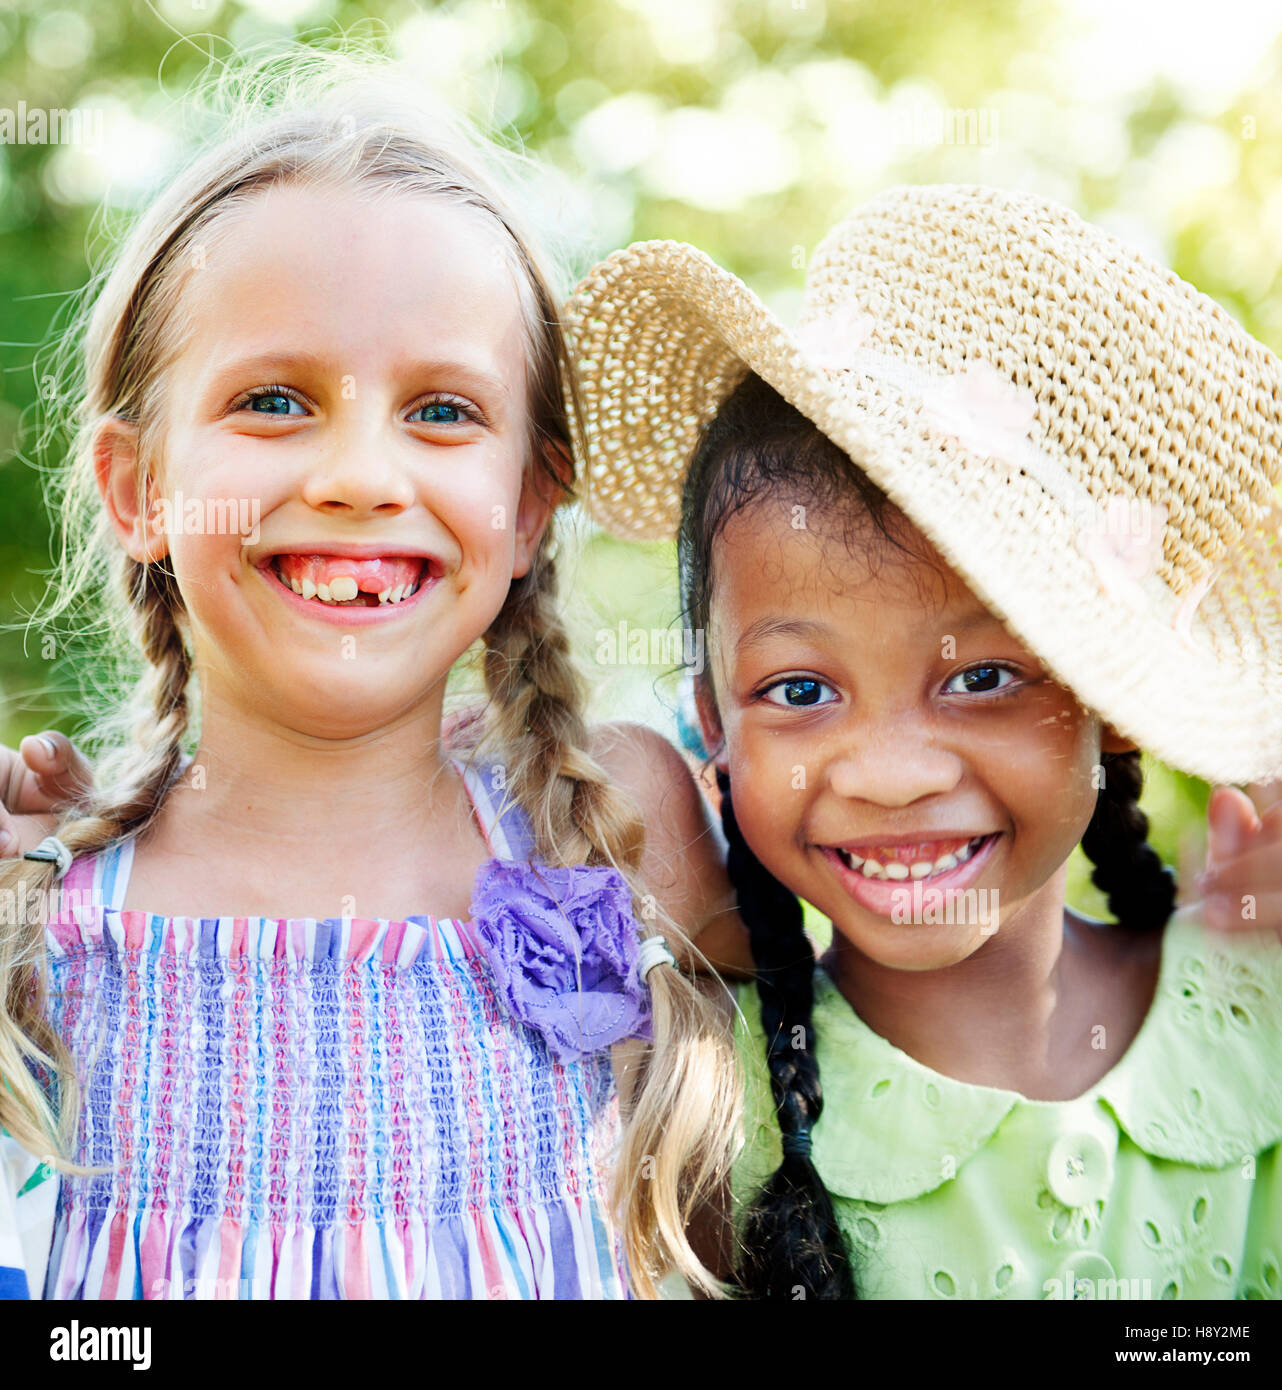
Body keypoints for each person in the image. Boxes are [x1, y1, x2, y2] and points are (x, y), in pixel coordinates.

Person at [0, 52, 740, 1301]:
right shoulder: (38, 928)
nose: (358, 474)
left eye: (443, 411)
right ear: (138, 490)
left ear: (528, 504)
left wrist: (1193, 968)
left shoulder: (622, 831)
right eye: (276, 398)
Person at [562, 184, 1282, 1298]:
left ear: (1111, 701)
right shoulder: (706, 1109)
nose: (892, 774)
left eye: (983, 677)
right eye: (800, 688)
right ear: (715, 727)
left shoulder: (1273, 1007)